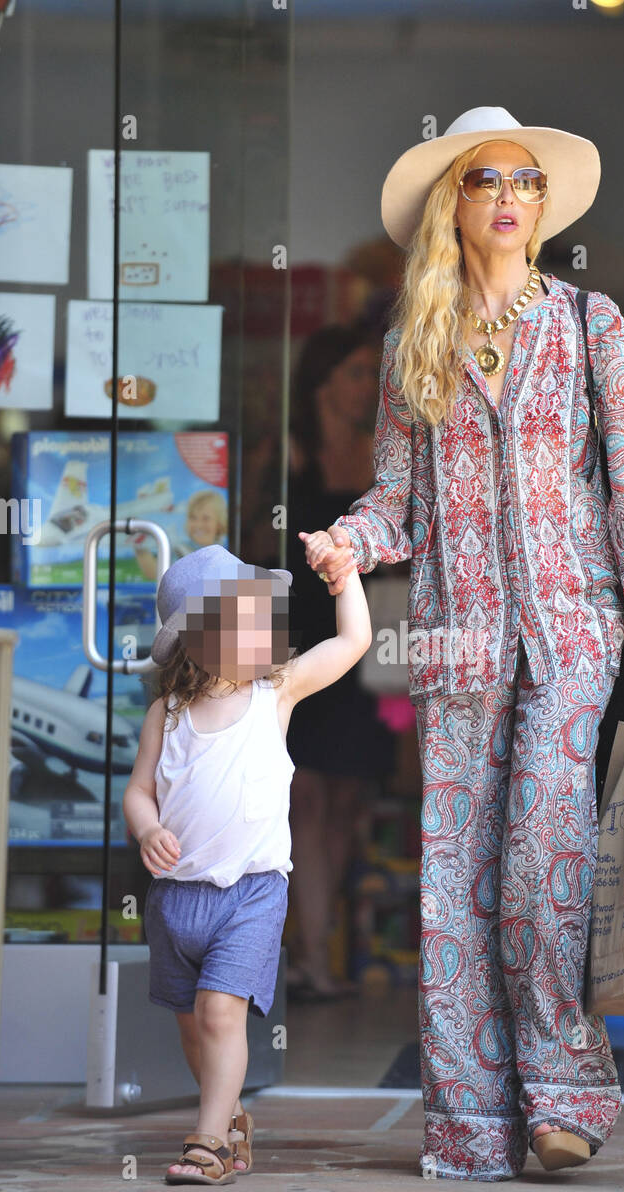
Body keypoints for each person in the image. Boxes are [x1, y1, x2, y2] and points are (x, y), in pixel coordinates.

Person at [302, 106, 624, 1182]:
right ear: (456, 202)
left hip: (573, 634)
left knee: (540, 863)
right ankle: (472, 1124)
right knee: (454, 885)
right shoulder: (412, 341)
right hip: (458, 642)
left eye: (526, 179)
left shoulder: (591, 325)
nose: (510, 194)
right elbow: (397, 503)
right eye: (487, 177)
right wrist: (347, 542)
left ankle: (565, 1093)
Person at [122, 543, 371, 1185]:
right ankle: (228, 1116)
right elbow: (139, 790)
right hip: (176, 900)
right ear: (191, 641)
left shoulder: (275, 695)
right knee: (192, 1027)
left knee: (219, 1013)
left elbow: (352, 641)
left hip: (252, 894)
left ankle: (209, 1143)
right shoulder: (166, 715)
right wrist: (147, 827)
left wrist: (345, 578)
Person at [285, 326, 396, 1000]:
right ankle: (311, 961)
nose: (366, 386)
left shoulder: (385, 458)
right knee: (304, 795)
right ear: (322, 380)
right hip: (298, 642)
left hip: (366, 643)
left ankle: (320, 950)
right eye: (355, 373)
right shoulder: (288, 459)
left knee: (347, 800)